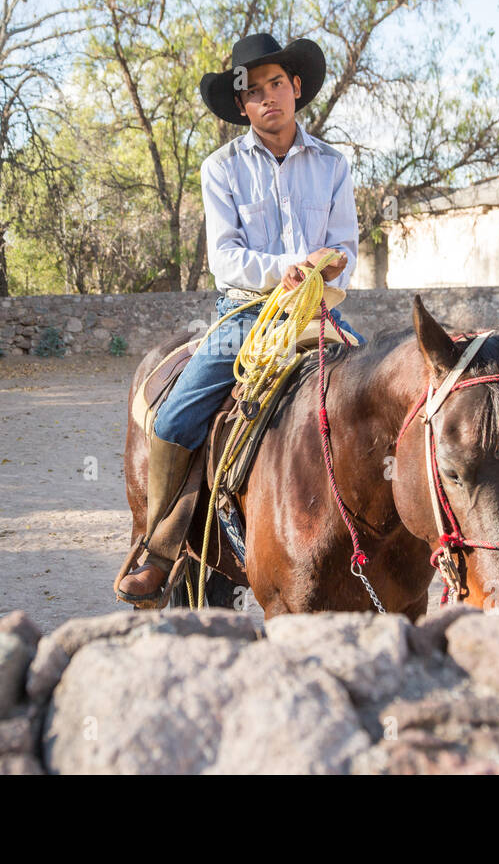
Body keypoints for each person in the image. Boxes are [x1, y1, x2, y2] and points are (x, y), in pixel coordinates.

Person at [116, 32, 363, 605]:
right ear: (242, 106)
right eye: (254, 92)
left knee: (377, 398)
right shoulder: (220, 168)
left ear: (295, 87)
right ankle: (159, 548)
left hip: (316, 312)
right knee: (175, 417)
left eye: (276, 83)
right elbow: (225, 257)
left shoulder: (333, 166)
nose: (268, 97)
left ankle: (374, 544)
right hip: (246, 312)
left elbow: (345, 249)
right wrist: (287, 269)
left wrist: (328, 269)